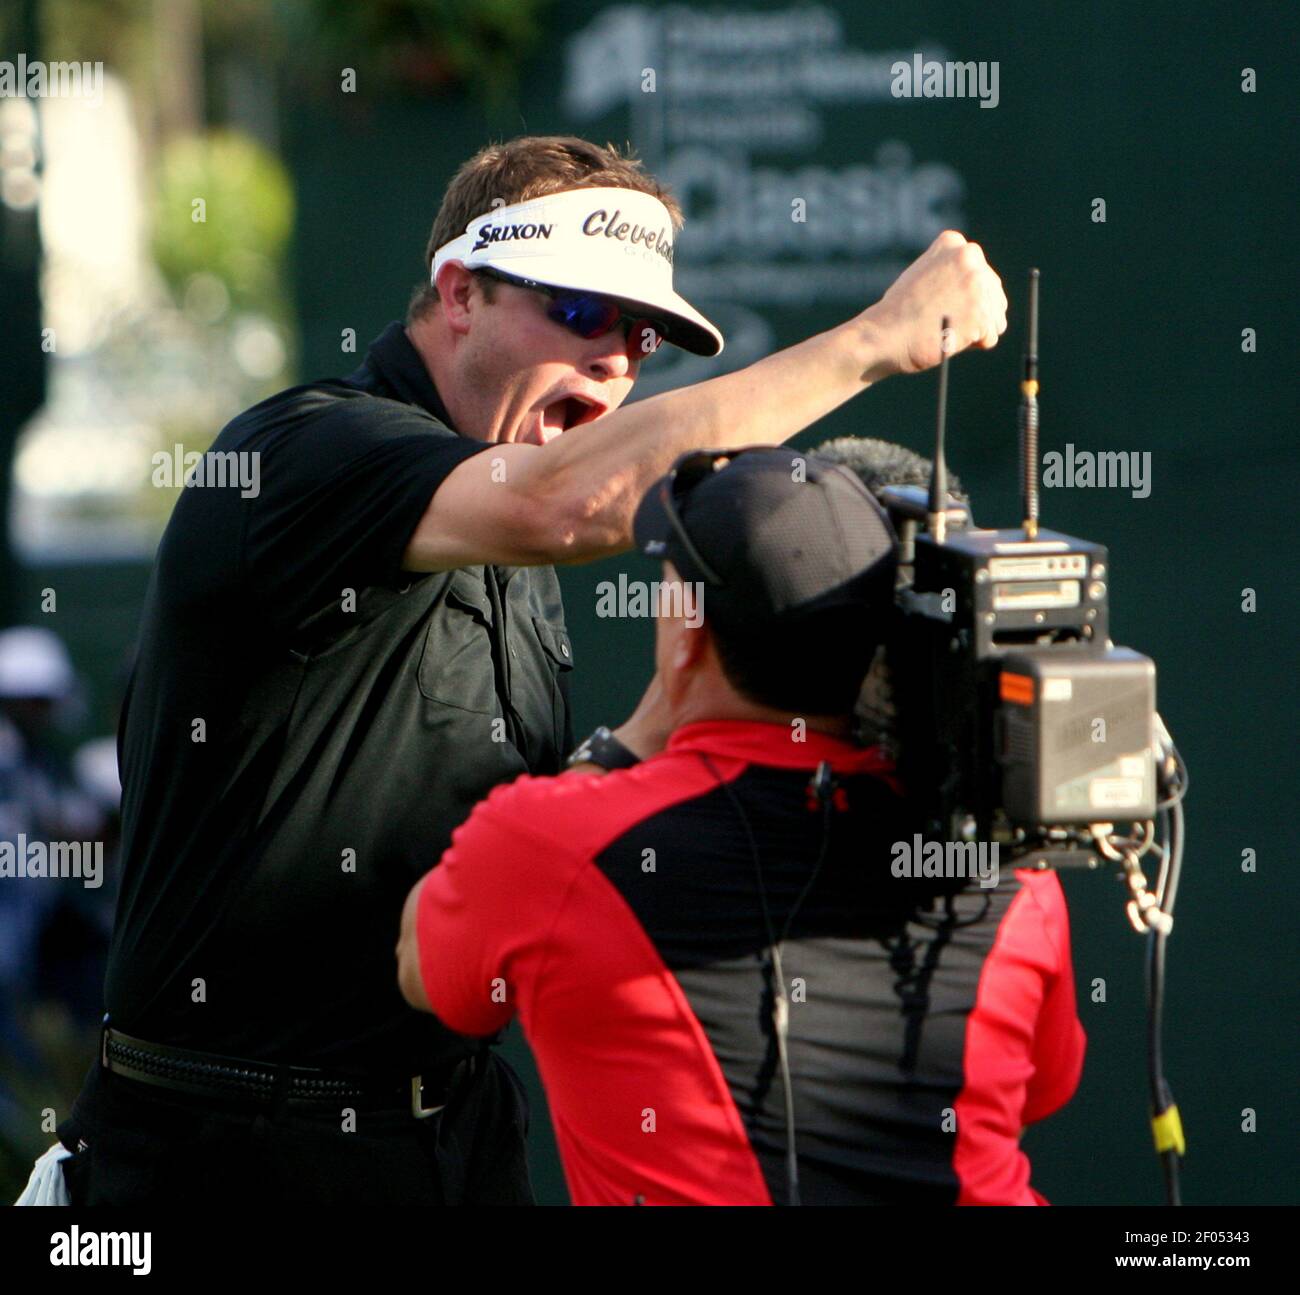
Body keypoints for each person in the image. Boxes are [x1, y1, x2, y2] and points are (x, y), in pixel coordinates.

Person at [57, 134, 1007, 1206]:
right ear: (459, 292)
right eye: (581, 309)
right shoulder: (308, 448)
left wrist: (653, 733)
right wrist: (874, 341)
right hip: (222, 1154)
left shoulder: (515, 530)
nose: (616, 359)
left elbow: (504, 853)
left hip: (450, 1132)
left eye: (641, 335)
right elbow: (568, 501)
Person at [398, 448, 1085, 1206]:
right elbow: (1039, 1090)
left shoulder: (552, 847)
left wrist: (630, 742)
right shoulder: (1012, 870)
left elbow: (424, 969)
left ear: (688, 636)